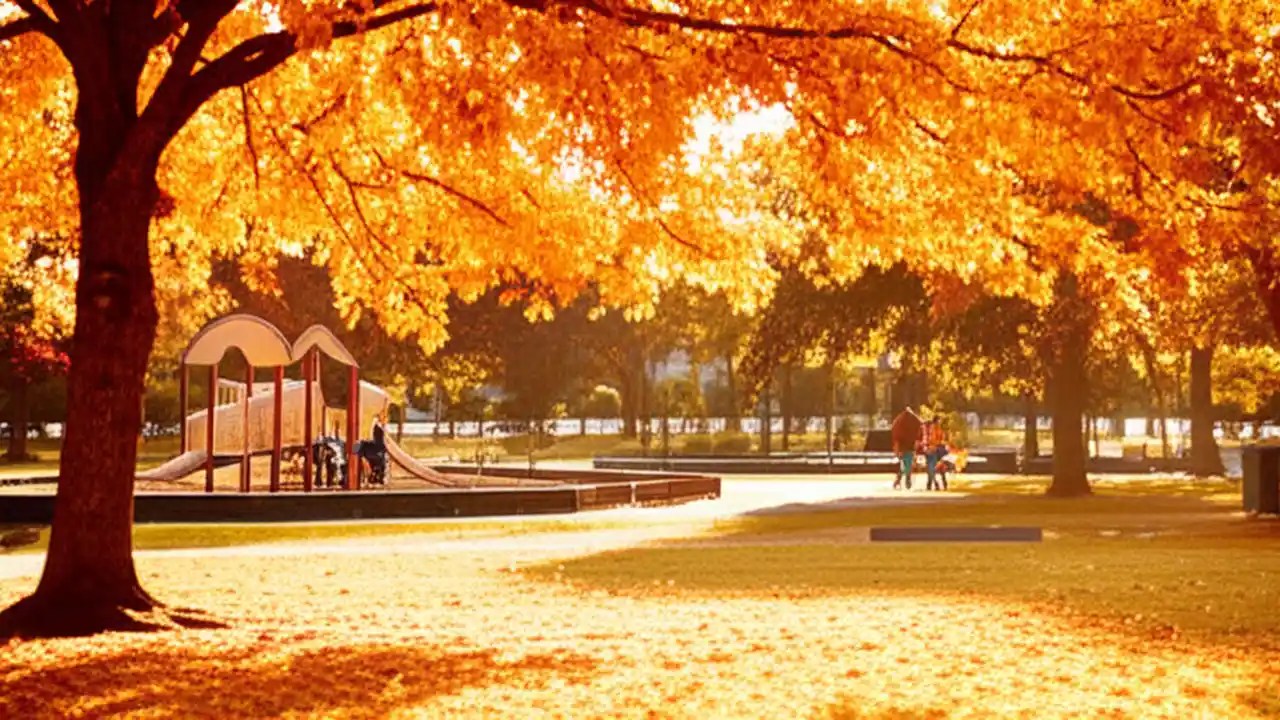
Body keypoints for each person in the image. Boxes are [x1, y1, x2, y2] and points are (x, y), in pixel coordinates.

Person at [890, 407, 922, 490]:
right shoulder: (913, 422)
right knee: (906, 465)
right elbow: (919, 432)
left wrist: (897, 449)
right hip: (906, 448)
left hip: (904, 448)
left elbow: (896, 436)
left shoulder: (899, 422)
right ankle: (904, 479)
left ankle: (901, 479)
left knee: (904, 465)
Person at [923, 418, 949, 491]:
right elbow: (931, 440)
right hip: (934, 450)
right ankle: (935, 484)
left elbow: (939, 440)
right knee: (933, 468)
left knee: (934, 468)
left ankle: (933, 484)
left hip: (936, 450)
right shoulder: (933, 430)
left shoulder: (936, 430)